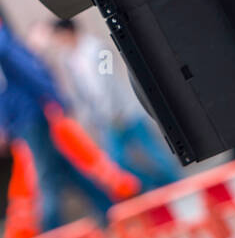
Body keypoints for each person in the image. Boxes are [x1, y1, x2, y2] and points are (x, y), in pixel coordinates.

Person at [0, 3, 113, 231]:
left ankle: (50, 229)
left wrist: (54, 97)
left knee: (45, 176)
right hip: (19, 123)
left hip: (30, 118)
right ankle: (106, 206)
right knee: (62, 168)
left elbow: (30, 70)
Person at [45, 19, 180, 192]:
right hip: (104, 118)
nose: (59, 42)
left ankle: (175, 181)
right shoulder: (68, 58)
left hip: (125, 111)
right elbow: (78, 91)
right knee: (117, 160)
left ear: (68, 32)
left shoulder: (98, 48)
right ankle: (154, 183)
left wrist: (112, 110)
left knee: (151, 149)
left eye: (59, 37)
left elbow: (108, 79)